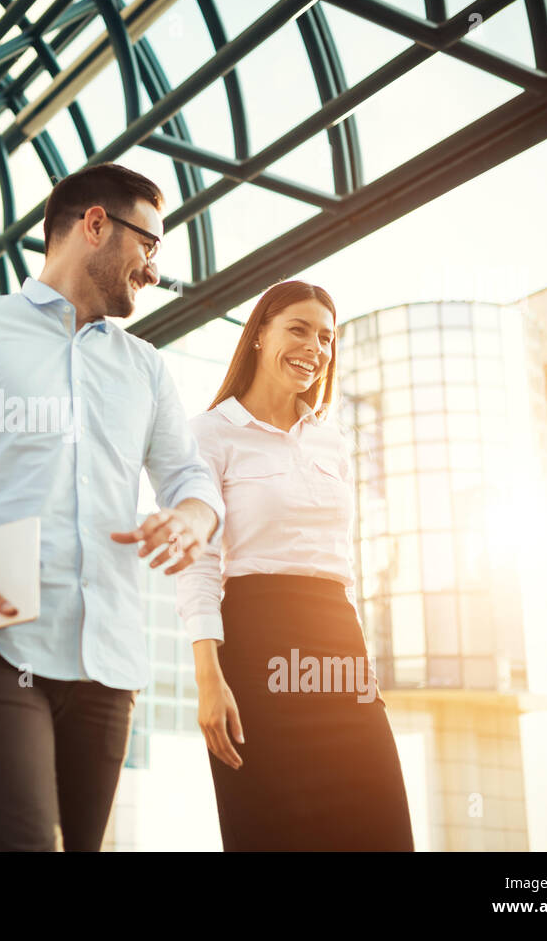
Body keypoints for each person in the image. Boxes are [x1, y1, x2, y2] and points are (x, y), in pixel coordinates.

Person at [0, 163, 224, 852]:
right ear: (95, 224)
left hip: (108, 664)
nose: (154, 270)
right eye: (149, 245)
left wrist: (191, 519)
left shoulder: (145, 366)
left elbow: (190, 477)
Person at [175, 279, 414, 851]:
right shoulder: (209, 434)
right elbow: (198, 564)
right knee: (272, 833)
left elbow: (342, 565)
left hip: (340, 645)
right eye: (299, 330)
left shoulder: (332, 441)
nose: (315, 348)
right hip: (257, 651)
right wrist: (210, 680)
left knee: (382, 830)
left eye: (326, 338)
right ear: (259, 335)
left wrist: (364, 664)